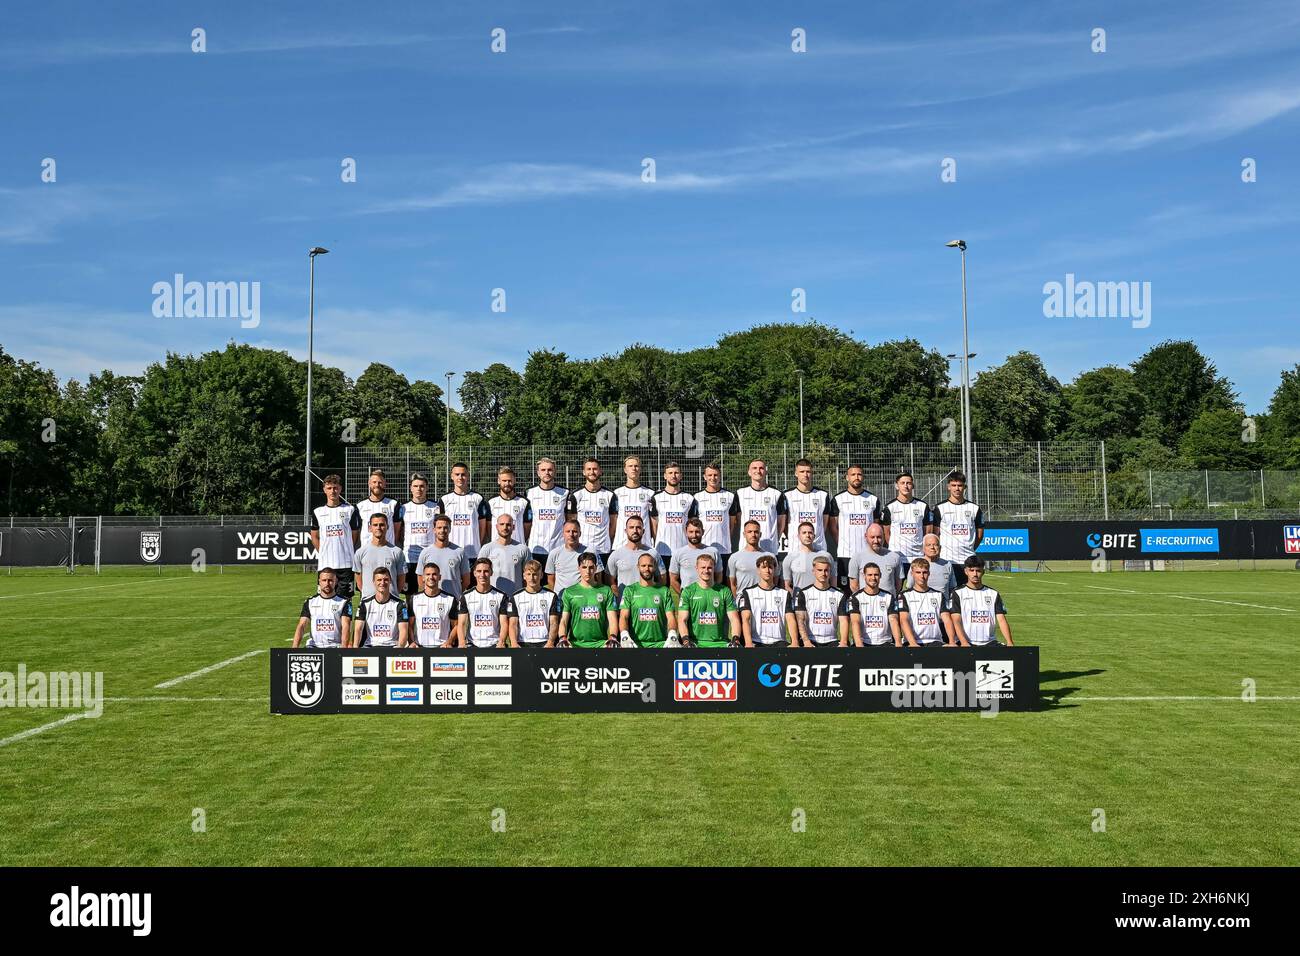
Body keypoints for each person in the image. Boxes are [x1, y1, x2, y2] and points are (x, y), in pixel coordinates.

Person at [309, 473, 362, 602]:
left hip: (345, 564)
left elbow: (354, 535)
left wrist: (345, 548)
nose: (332, 491)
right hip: (326, 565)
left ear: (340, 489)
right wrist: (324, 552)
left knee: (346, 601)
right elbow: (314, 536)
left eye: (335, 488)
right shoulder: (318, 512)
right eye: (329, 488)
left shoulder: (350, 510)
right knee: (325, 600)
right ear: (324, 490)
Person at [677, 554, 741, 648]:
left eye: (709, 568)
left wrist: (736, 639)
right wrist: (686, 640)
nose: (706, 571)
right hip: (696, 644)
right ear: (697, 568)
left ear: (714, 568)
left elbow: (734, 619)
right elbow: (682, 619)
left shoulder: (724, 591)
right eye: (703, 567)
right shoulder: (688, 591)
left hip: (721, 643)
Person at [833, 464, 881, 588]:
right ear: (847, 478)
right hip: (845, 553)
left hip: (868, 552)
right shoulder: (838, 499)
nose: (856, 477)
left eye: (859, 474)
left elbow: (876, 526)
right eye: (853, 475)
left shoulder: (873, 499)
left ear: (863, 477)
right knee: (847, 589)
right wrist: (842, 542)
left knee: (869, 586)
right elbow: (833, 527)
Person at [557, 553, 619, 648]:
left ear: (596, 568)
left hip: (600, 643)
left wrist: (613, 637)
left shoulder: (606, 591)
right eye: (584, 567)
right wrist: (562, 638)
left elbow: (612, 619)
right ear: (579, 568)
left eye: (591, 567)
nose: (588, 571)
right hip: (575, 643)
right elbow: (564, 621)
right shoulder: (569, 592)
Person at [947, 556, 1013, 646]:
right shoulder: (957, 593)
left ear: (983, 572)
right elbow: (956, 620)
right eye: (971, 570)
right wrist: (963, 642)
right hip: (967, 642)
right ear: (966, 571)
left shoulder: (993, 593)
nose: (975, 574)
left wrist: (1009, 642)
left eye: (978, 570)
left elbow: (1001, 619)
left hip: (990, 642)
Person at [934, 470, 984, 587]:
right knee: (946, 594)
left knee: (967, 595)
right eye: (954, 485)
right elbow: (935, 535)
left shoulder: (974, 508)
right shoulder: (940, 508)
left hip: (968, 560)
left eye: (960, 485)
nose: (957, 488)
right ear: (948, 487)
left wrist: (969, 547)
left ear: (965, 487)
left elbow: (980, 535)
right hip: (946, 560)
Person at [618, 552, 679, 648]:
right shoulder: (629, 590)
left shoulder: (664, 591)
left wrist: (672, 634)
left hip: (660, 644)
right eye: (643, 565)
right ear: (638, 567)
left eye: (650, 565)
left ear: (655, 567)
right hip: (635, 644)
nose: (647, 569)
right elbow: (623, 616)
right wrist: (624, 635)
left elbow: (671, 617)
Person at [897, 558, 961, 647]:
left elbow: (947, 619)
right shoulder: (904, 595)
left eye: (925, 572)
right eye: (918, 572)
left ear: (929, 573)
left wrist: (952, 642)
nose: (922, 576)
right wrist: (913, 643)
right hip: (913, 642)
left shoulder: (938, 595)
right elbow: (903, 620)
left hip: (935, 641)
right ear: (912, 574)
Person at [737, 554, 797, 648]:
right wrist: (748, 643)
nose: (767, 570)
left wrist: (795, 642)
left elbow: (790, 619)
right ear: (758, 570)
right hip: (756, 641)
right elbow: (746, 619)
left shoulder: (784, 594)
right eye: (764, 567)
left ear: (775, 570)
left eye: (770, 567)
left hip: (779, 642)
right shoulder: (748, 592)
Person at [792, 556, 851, 647]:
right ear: (813, 571)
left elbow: (843, 621)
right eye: (819, 570)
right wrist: (806, 641)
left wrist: (843, 642)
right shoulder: (803, 593)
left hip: (832, 640)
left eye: (826, 570)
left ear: (830, 572)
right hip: (811, 640)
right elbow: (800, 620)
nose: (823, 573)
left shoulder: (840, 595)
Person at [398, 473, 441, 596]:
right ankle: (411, 615)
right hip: (409, 557)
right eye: (415, 486)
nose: (419, 489)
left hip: (430, 556)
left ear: (427, 488)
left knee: (429, 590)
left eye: (422, 486)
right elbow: (399, 532)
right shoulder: (404, 508)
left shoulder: (435, 507)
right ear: (410, 488)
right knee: (409, 594)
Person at [568, 457, 618, 565]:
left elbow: (613, 522)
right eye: (589, 469)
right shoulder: (575, 495)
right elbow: (571, 522)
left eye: (595, 469)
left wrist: (608, 539)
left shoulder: (609, 495)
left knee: (603, 581)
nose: (592, 472)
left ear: (600, 471)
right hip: (581, 548)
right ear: (584, 472)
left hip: (603, 548)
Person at [693, 461, 740, 575]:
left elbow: (732, 522)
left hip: (724, 548)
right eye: (710, 475)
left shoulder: (730, 496)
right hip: (703, 548)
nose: (713, 478)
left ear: (720, 476)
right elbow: (694, 524)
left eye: (715, 475)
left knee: (723, 582)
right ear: (704, 477)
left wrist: (726, 536)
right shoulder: (697, 497)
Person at [783, 458, 837, 554]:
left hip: (819, 547)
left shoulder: (823, 495)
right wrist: (792, 537)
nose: (805, 474)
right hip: (795, 548)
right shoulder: (787, 495)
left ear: (812, 473)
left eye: (808, 471)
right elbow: (784, 522)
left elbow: (824, 523)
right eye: (802, 471)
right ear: (796, 473)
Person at [455, 557, 511, 648]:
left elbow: (504, 623)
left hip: (494, 644)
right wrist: (461, 643)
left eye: (486, 571)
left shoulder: (501, 596)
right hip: (473, 644)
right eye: (479, 571)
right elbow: (462, 623)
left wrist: (501, 641)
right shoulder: (466, 596)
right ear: (474, 573)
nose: (482, 574)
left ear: (491, 573)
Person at [351, 513, 407, 603]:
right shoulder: (360, 552)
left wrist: (391, 594)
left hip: (391, 603)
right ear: (370, 528)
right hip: (368, 603)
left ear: (387, 526)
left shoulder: (397, 552)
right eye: (375, 525)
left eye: (382, 525)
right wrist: (369, 595)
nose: (378, 528)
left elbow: (401, 580)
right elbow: (359, 581)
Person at [440, 461, 491, 560]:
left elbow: (482, 526)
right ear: (452, 476)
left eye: (463, 474)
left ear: (468, 476)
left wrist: (477, 544)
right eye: (457, 474)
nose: (460, 477)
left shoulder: (478, 498)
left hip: (473, 553)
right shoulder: (444, 499)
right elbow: (439, 526)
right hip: (450, 552)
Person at [735, 458, 786, 555]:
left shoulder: (776, 494)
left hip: (769, 549)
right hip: (746, 549)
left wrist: (774, 539)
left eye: (761, 468)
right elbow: (737, 521)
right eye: (754, 468)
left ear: (766, 471)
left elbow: (781, 522)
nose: (758, 471)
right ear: (749, 472)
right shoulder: (740, 493)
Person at [292, 569, 352, 649]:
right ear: (319, 582)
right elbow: (302, 625)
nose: (327, 584)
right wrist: (294, 648)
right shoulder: (310, 602)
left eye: (330, 580)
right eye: (324, 580)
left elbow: (346, 626)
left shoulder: (344, 602)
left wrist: (343, 650)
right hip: (313, 646)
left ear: (336, 581)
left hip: (335, 646)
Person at [506, 560, 562, 648]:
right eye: (529, 574)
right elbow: (513, 624)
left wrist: (550, 642)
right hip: (523, 643)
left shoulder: (551, 596)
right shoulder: (515, 597)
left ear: (541, 575)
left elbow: (554, 622)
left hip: (545, 642)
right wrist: (513, 643)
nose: (532, 578)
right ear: (524, 576)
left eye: (535, 574)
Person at [844, 563, 902, 647]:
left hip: (885, 642)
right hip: (864, 642)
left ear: (880, 576)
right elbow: (855, 622)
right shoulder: (855, 598)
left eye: (876, 575)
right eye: (870, 575)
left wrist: (898, 643)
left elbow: (893, 621)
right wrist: (859, 644)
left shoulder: (889, 597)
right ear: (864, 576)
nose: (873, 578)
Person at [882, 470, 934, 563]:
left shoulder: (923, 506)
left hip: (918, 556)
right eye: (902, 483)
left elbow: (928, 532)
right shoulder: (889, 507)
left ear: (913, 486)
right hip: (896, 556)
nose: (906, 486)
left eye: (909, 483)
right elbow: (886, 533)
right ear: (897, 486)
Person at [351, 567, 409, 648]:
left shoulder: (400, 604)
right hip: (370, 647)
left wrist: (399, 650)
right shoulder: (364, 603)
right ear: (373, 582)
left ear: (390, 581)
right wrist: (355, 648)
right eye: (379, 580)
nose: (382, 583)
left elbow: (404, 631)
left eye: (385, 579)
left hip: (392, 647)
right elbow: (358, 629)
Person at [652, 461, 697, 565]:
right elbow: (654, 524)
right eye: (670, 473)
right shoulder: (656, 498)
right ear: (665, 476)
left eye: (676, 473)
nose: (673, 476)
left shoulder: (689, 498)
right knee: (662, 581)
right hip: (662, 550)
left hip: (683, 550)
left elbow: (692, 524)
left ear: (681, 476)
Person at [415, 514, 470, 597]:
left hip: (453, 602)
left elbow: (466, 581)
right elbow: (420, 579)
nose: (442, 530)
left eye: (445, 527)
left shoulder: (460, 552)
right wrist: (428, 596)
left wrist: (455, 595)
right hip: (432, 601)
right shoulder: (425, 552)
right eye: (439, 527)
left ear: (450, 529)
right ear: (434, 530)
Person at [545, 518, 606, 593]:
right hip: (561, 598)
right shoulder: (554, 553)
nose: (571, 534)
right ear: (563, 534)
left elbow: (598, 578)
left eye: (574, 531)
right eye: (568, 531)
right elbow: (551, 580)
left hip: (584, 597)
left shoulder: (591, 551)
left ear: (580, 533)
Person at [526, 457, 570, 558]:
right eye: (543, 470)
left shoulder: (565, 493)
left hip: (558, 548)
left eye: (550, 470)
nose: (547, 472)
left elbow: (569, 519)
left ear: (555, 472)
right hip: (535, 547)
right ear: (538, 473)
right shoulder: (529, 493)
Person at [605, 515, 663, 592]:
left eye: (638, 527)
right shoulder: (616, 555)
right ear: (626, 531)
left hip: (647, 603)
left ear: (643, 531)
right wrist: (619, 596)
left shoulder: (653, 554)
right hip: (624, 603)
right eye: (631, 527)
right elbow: (609, 581)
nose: (635, 531)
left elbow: (662, 579)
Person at [477, 513, 531, 596]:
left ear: (513, 527)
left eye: (508, 525)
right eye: (502, 524)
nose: (505, 527)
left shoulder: (523, 549)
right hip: (492, 597)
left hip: (515, 598)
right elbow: (479, 575)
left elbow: (528, 576)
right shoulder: (486, 548)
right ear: (496, 527)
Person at [612, 456, 656, 552]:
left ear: (640, 469)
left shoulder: (650, 493)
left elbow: (653, 521)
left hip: (644, 545)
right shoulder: (617, 493)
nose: (633, 468)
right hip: (620, 545)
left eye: (636, 466)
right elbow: (613, 520)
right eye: (630, 466)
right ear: (625, 470)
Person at [409, 563, 459, 648]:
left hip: (442, 648)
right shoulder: (414, 599)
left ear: (439, 577)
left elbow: (457, 625)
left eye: (434, 574)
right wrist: (411, 642)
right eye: (428, 574)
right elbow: (409, 625)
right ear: (423, 578)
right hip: (420, 647)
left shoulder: (450, 599)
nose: (431, 577)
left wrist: (449, 642)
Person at [847, 523, 904, 595]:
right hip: (866, 603)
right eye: (872, 537)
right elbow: (854, 586)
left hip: (888, 603)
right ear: (866, 536)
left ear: (883, 536)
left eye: (879, 537)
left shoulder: (895, 557)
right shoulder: (857, 558)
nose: (876, 541)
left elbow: (898, 586)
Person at [669, 517, 719, 595]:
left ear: (703, 532)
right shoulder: (678, 553)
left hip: (709, 596)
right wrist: (684, 596)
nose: (694, 535)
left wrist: (712, 593)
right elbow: (673, 580)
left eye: (697, 532)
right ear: (686, 532)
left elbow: (719, 576)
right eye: (691, 532)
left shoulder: (713, 552)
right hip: (688, 598)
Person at [782, 521, 834, 593]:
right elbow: (786, 586)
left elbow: (833, 584)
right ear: (798, 536)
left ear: (814, 536)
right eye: (804, 533)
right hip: (800, 603)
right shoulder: (790, 558)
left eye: (810, 533)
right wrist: (796, 598)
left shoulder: (826, 556)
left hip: (822, 601)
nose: (807, 535)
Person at [488, 465, 532, 547]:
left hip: (517, 547)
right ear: (498, 481)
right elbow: (488, 527)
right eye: (504, 481)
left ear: (514, 481)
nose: (507, 484)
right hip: (496, 548)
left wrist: (520, 539)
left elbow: (527, 527)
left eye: (509, 481)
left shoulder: (523, 502)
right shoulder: (491, 502)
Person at [356, 469, 401, 547]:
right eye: (374, 482)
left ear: (384, 484)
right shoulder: (360, 505)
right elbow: (356, 531)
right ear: (369, 484)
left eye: (380, 482)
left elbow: (397, 531)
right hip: (367, 551)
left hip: (388, 550)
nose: (377, 485)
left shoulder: (393, 504)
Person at [907, 534, 956, 603]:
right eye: (928, 545)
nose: (932, 547)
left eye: (935, 545)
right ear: (923, 548)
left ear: (940, 548)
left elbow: (952, 588)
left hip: (943, 608)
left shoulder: (947, 565)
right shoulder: (916, 564)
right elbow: (910, 587)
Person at [728, 520, 771, 597]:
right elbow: (732, 584)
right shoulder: (734, 557)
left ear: (760, 534)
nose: (753, 534)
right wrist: (737, 600)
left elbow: (774, 580)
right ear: (744, 534)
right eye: (749, 532)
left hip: (765, 599)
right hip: (743, 600)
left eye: (756, 532)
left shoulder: (770, 557)